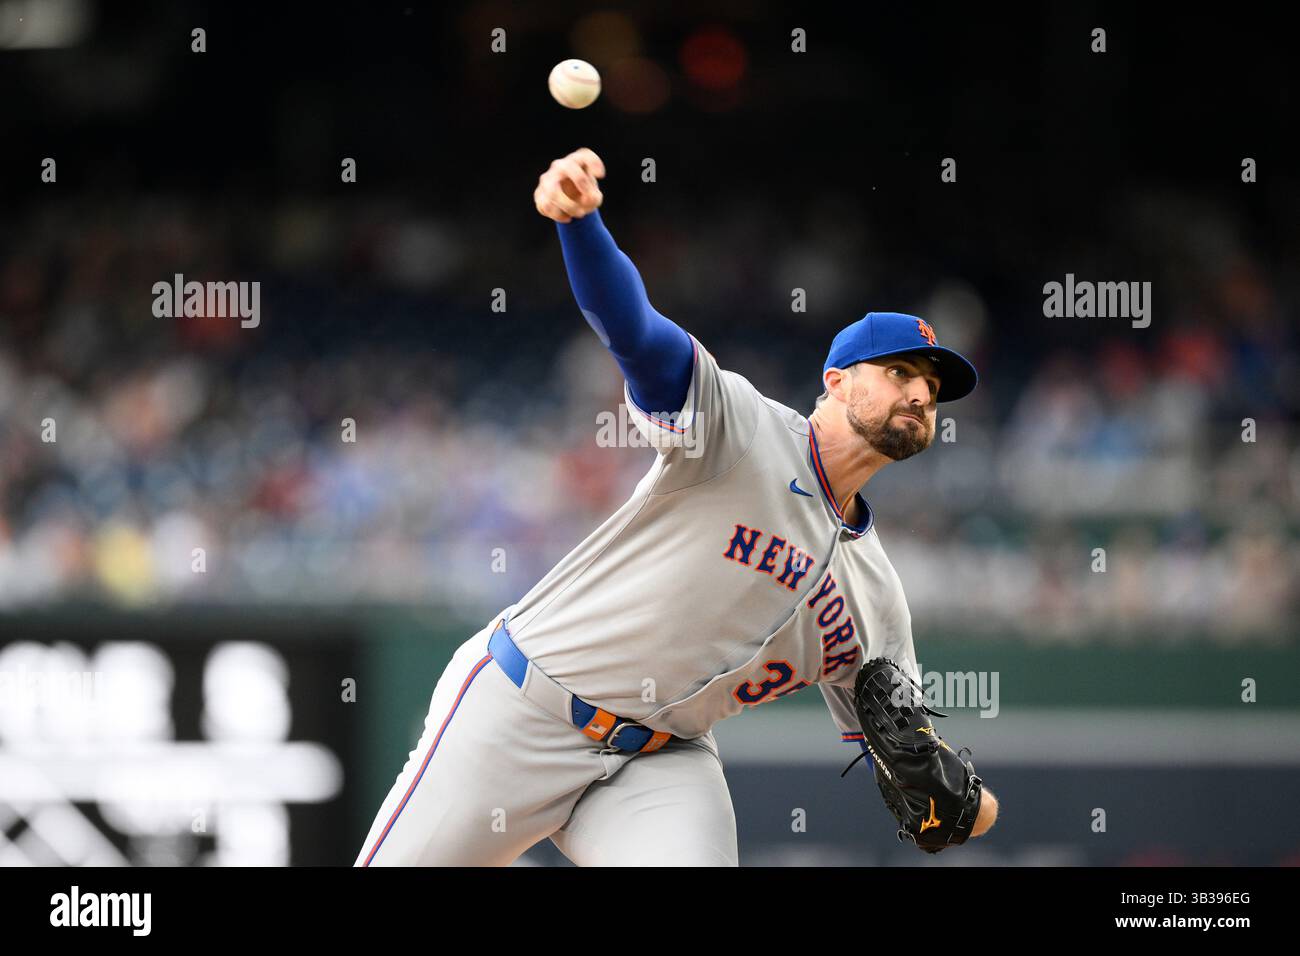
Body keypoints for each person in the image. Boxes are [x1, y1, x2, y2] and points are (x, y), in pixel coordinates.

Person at [355, 147, 998, 866]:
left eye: (933, 389)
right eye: (900, 371)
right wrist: (582, 226)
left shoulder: (876, 599)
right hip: (523, 709)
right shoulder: (740, 428)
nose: (920, 393)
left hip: (660, 763)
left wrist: (968, 804)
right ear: (837, 382)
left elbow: (927, 774)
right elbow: (637, 335)